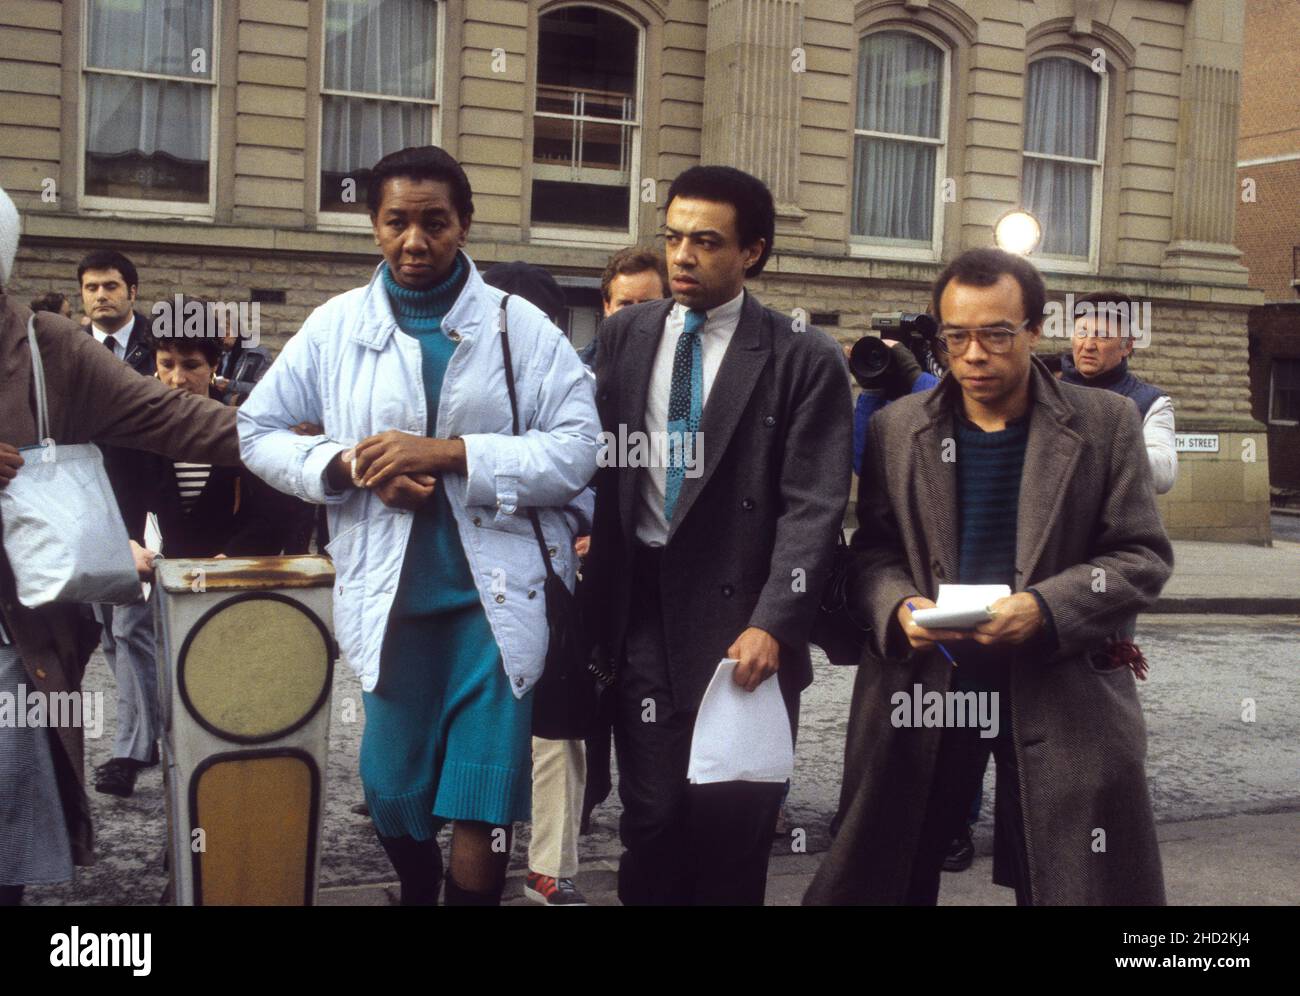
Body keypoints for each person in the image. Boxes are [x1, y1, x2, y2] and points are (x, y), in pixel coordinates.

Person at [238, 145, 599, 907]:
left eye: (435, 222)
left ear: (464, 224)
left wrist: (451, 453)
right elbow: (257, 430)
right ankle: (416, 887)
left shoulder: (519, 327)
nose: (416, 241)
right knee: (392, 788)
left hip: (493, 606)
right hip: (392, 606)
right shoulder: (336, 327)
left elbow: (577, 448)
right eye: (397, 221)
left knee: (481, 794)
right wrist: (347, 468)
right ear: (373, 225)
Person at [804, 248, 1174, 906]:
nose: (974, 353)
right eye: (956, 335)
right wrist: (896, 607)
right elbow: (873, 553)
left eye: (997, 333)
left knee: (1070, 876)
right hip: (924, 684)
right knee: (891, 864)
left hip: (1060, 687)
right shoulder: (896, 430)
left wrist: (1047, 609)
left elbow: (1142, 556)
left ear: (1034, 330)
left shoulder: (1106, 424)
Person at [583, 165, 853, 905]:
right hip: (641, 615)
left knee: (731, 836)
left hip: (743, 629)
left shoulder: (803, 356)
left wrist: (774, 622)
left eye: (705, 241)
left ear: (753, 252)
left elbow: (815, 507)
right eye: (672, 238)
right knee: (653, 821)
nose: (681, 257)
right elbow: (591, 458)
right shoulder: (625, 335)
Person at [0, 185, 240, 906]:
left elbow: (173, 418)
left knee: (5, 829)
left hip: (14, 631)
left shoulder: (47, 348)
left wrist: (324, 451)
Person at [481, 261, 590, 907]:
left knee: (555, 728)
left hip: (548, 579)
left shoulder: (576, 387)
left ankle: (550, 867)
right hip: (466, 584)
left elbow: (597, 483)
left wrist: (581, 522)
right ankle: (469, 864)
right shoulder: (455, 388)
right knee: (481, 728)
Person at [76, 249, 163, 798]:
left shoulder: (158, 348)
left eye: (111, 286)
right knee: (113, 634)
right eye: (91, 287)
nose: (101, 295)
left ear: (132, 291)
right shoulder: (66, 350)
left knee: (132, 628)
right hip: (87, 507)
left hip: (148, 505)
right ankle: (148, 736)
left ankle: (130, 751)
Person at [126, 319, 296, 558]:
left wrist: (234, 557)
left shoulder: (244, 427)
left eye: (191, 365)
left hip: (227, 584)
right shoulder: (135, 432)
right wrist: (130, 546)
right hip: (154, 581)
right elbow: (119, 507)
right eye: (167, 364)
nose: (177, 379)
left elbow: (272, 514)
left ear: (214, 365)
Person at [1061, 290, 1177, 494]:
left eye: (1103, 336)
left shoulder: (1151, 402)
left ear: (1127, 346)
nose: (1088, 345)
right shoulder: (1046, 387)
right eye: (1082, 333)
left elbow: (1163, 474)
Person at [577, 247, 670, 368]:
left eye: (647, 304)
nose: (635, 314)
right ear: (607, 307)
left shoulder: (681, 368)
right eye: (626, 304)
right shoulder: (576, 371)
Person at [212, 303, 272, 407]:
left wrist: (230, 385)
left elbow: (267, 389)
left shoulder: (257, 354)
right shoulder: (218, 352)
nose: (221, 336)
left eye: (225, 330)